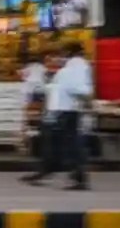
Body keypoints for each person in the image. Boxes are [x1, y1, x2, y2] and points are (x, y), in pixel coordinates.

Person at [22, 42, 93, 191]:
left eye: (62, 53)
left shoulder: (77, 66)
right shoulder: (72, 67)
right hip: (62, 109)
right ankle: (48, 171)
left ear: (68, 52)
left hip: (66, 110)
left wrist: (55, 87)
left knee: (67, 144)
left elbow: (81, 89)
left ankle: (76, 177)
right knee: (55, 142)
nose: (59, 57)